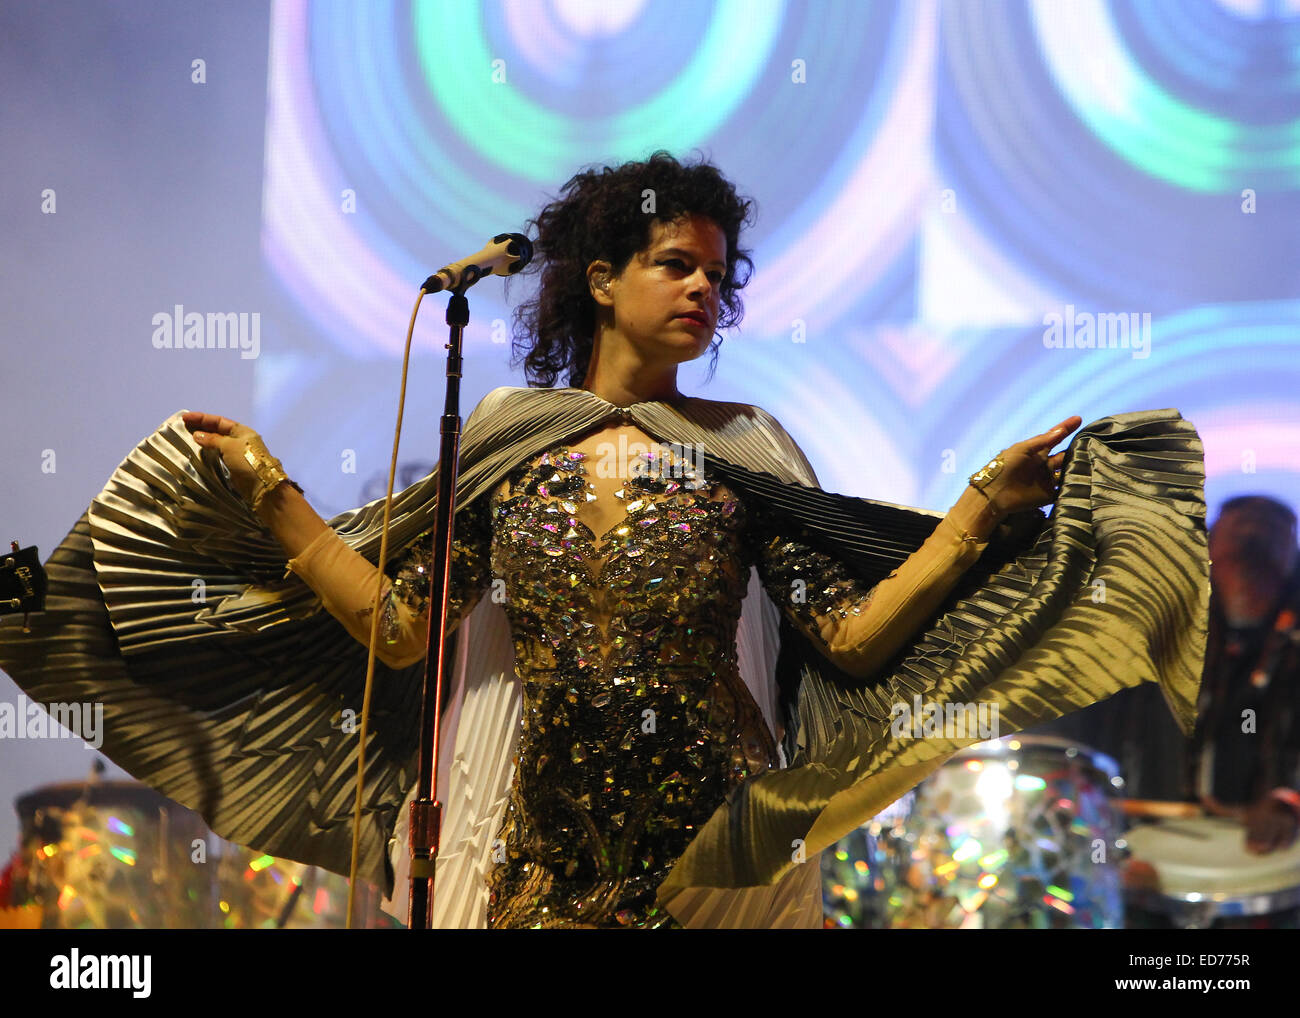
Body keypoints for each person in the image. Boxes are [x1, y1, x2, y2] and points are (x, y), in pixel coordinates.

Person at [0, 152, 1210, 930]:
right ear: (597, 276)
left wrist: (975, 517)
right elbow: (405, 629)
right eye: (674, 265)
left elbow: (844, 642)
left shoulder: (747, 443)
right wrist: (276, 502)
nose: (702, 292)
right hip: (547, 829)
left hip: (711, 831)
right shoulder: (512, 437)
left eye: (716, 276)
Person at [1035, 495, 1300, 857]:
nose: (1256, 530)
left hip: (1262, 869)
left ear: (1291, 562)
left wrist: (1289, 800)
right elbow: (1058, 733)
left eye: (1271, 529)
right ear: (1206, 547)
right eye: (1241, 527)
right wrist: (1084, 815)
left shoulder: (1290, 651)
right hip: (1127, 853)